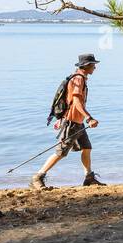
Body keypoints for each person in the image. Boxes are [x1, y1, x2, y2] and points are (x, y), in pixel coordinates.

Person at [32, 54, 104, 189]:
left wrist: (62, 118)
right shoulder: (78, 79)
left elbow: (68, 100)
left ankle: (89, 177)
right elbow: (76, 100)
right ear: (86, 65)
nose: (95, 67)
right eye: (93, 65)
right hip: (72, 122)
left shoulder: (79, 78)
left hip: (77, 122)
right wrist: (89, 117)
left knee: (87, 148)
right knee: (61, 152)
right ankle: (38, 177)